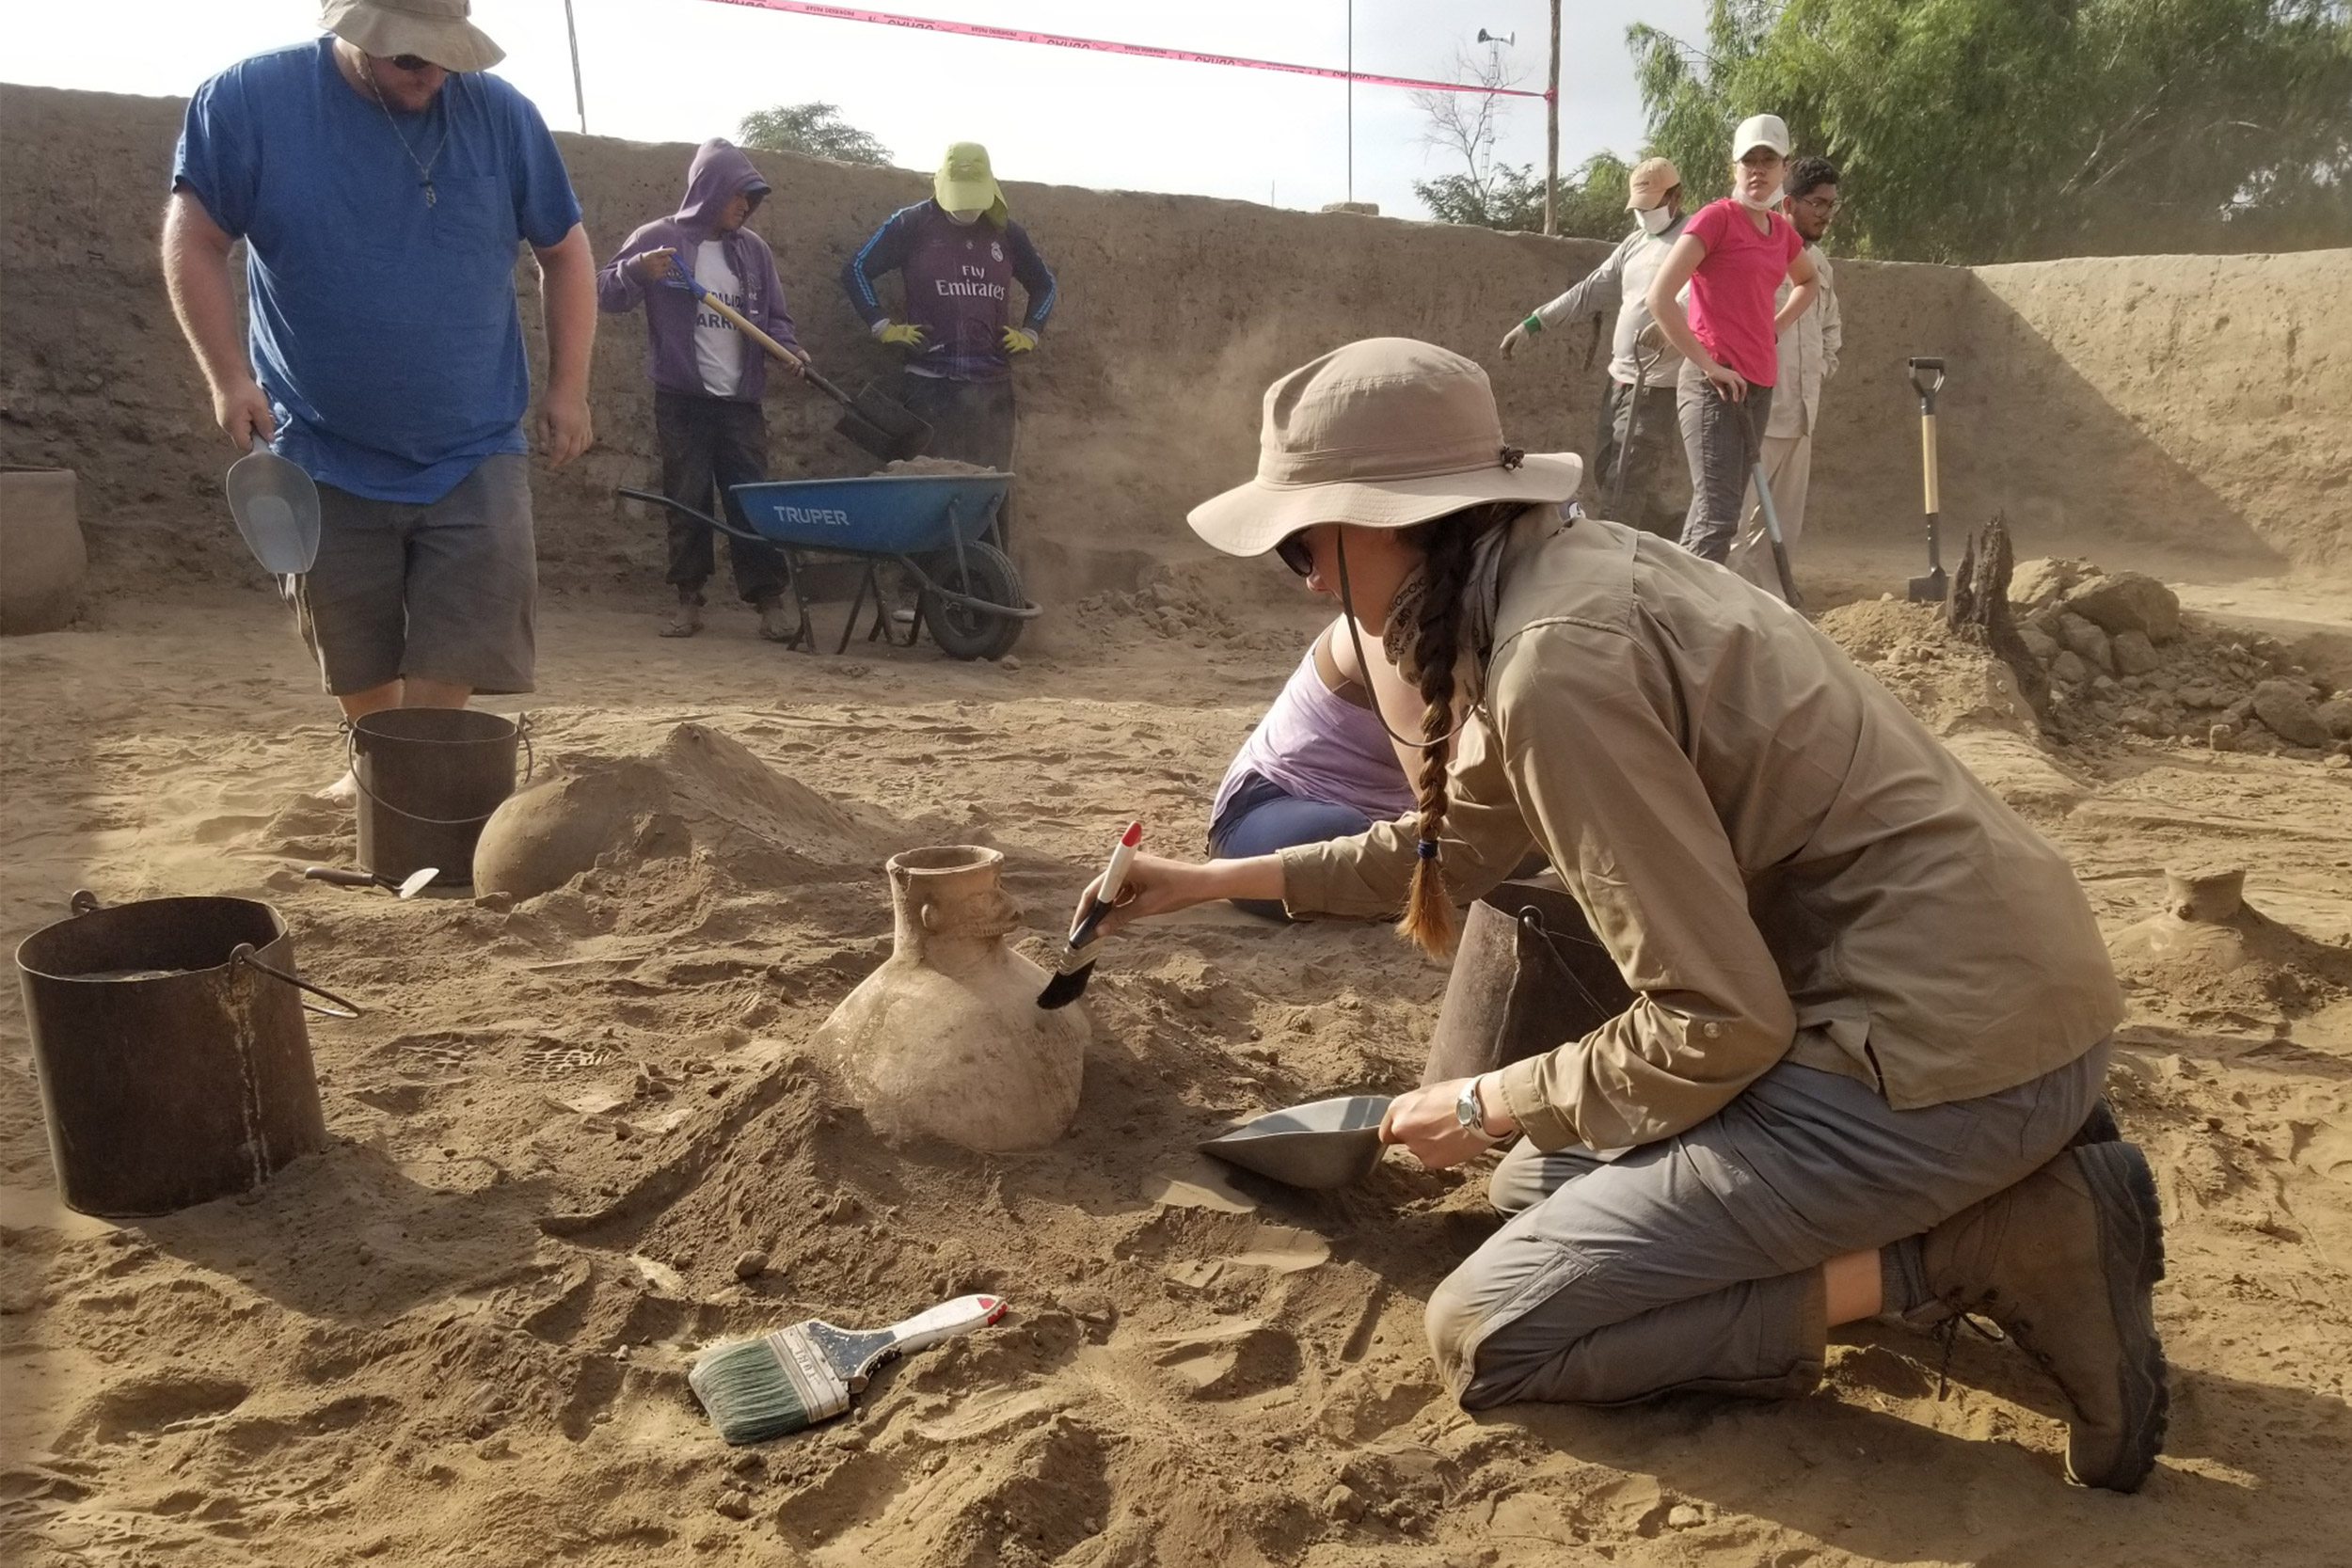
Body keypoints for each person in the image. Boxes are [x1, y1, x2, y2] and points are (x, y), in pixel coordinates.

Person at [1087, 337, 2168, 1493]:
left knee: (1496, 1328)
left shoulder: (1559, 666)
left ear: (1400, 520)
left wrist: (1481, 1095)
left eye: (1306, 542)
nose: (1304, 578)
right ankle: (1998, 1192)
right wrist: (1201, 884)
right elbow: (1449, 851)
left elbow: (1714, 1020)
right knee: (1522, 1182)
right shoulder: (1562, 573)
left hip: (1934, 1062)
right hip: (1987, 1010)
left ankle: (1984, 1240)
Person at [163, 0, 595, 747]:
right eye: (407, 56)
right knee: (346, 633)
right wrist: (228, 377)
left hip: (474, 443)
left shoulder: (502, 116)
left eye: (444, 55)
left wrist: (569, 388)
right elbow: (195, 238)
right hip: (321, 440)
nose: (429, 71)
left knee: (465, 628)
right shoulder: (249, 102)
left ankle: (409, 760)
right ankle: (383, 757)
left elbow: (566, 253)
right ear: (353, 33)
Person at [599, 140, 808, 641]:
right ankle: (688, 599)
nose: (746, 206)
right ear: (711, 190)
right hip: (682, 400)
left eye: (751, 198)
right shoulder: (660, 241)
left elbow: (774, 319)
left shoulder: (753, 251)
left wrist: (788, 351)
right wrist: (635, 270)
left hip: (740, 401)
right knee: (687, 499)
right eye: (740, 195)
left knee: (751, 501)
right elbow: (604, 292)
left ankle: (768, 600)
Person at [840, 142, 1056, 528]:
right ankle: (926, 582)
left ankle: (989, 577)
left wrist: (1031, 333)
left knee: (992, 489)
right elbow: (856, 269)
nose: (967, 209)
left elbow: (1045, 285)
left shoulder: (1007, 234)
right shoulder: (912, 224)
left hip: (992, 388)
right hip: (930, 388)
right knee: (930, 489)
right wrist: (882, 326)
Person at [1644, 115, 1819, 565]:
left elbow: (1808, 282)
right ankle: (1685, 619)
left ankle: (1683, 605)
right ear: (1734, 168)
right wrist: (1709, 365)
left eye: (1769, 159)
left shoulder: (1781, 233)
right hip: (1712, 386)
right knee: (1719, 516)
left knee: (1719, 514)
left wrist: (1776, 326)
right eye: (1749, 161)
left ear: (1785, 166)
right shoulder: (1715, 219)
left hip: (1758, 385)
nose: (1758, 170)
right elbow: (1660, 298)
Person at [1498, 157, 1690, 538]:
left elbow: (1708, 291)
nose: (1644, 215)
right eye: (1639, 208)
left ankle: (1617, 561)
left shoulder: (1694, 239)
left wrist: (1673, 322)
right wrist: (1536, 322)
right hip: (1620, 377)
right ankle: (1673, 533)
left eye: (1651, 207)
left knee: (1625, 480)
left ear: (1676, 196)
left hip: (1658, 383)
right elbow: (1589, 291)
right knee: (1608, 472)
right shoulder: (1635, 244)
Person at [1208, 616, 1415, 919]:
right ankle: (1202, 882)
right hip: (1268, 814)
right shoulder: (1377, 634)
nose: (1312, 583)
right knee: (1352, 841)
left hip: (1382, 822)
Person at [1728, 156, 1842, 600]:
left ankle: (1771, 610)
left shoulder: (1821, 266)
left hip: (1800, 418)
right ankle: (1722, 609)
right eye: (1817, 203)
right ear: (1789, 202)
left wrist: (1820, 369)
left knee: (1783, 530)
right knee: (1733, 522)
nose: (1826, 214)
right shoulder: (1755, 248)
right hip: (1755, 412)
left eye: (1832, 205)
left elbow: (1831, 328)